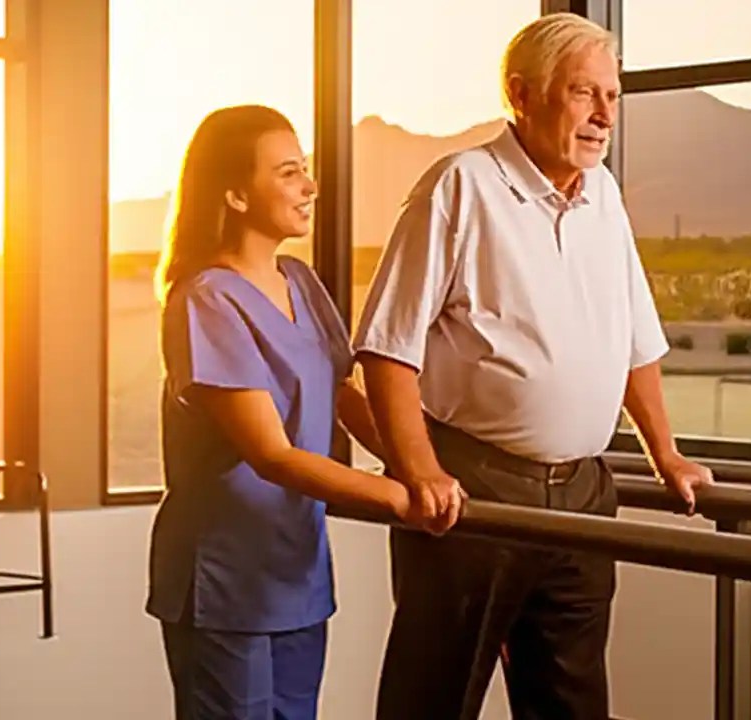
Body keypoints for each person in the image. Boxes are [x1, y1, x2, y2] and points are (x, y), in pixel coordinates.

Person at [352, 13, 714, 720]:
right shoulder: (459, 188)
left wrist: (666, 455)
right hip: (476, 487)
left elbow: (636, 342)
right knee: (435, 697)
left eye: (612, 95)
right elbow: (386, 350)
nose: (604, 114)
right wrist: (420, 470)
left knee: (572, 704)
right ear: (522, 94)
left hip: (583, 495)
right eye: (584, 92)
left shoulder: (602, 195)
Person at [144, 104, 461, 720]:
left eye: (305, 169)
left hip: (295, 576)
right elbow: (271, 453)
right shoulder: (204, 300)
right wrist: (401, 500)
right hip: (222, 580)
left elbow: (344, 394)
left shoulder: (301, 281)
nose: (310, 186)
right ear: (235, 194)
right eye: (288, 172)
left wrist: (422, 470)